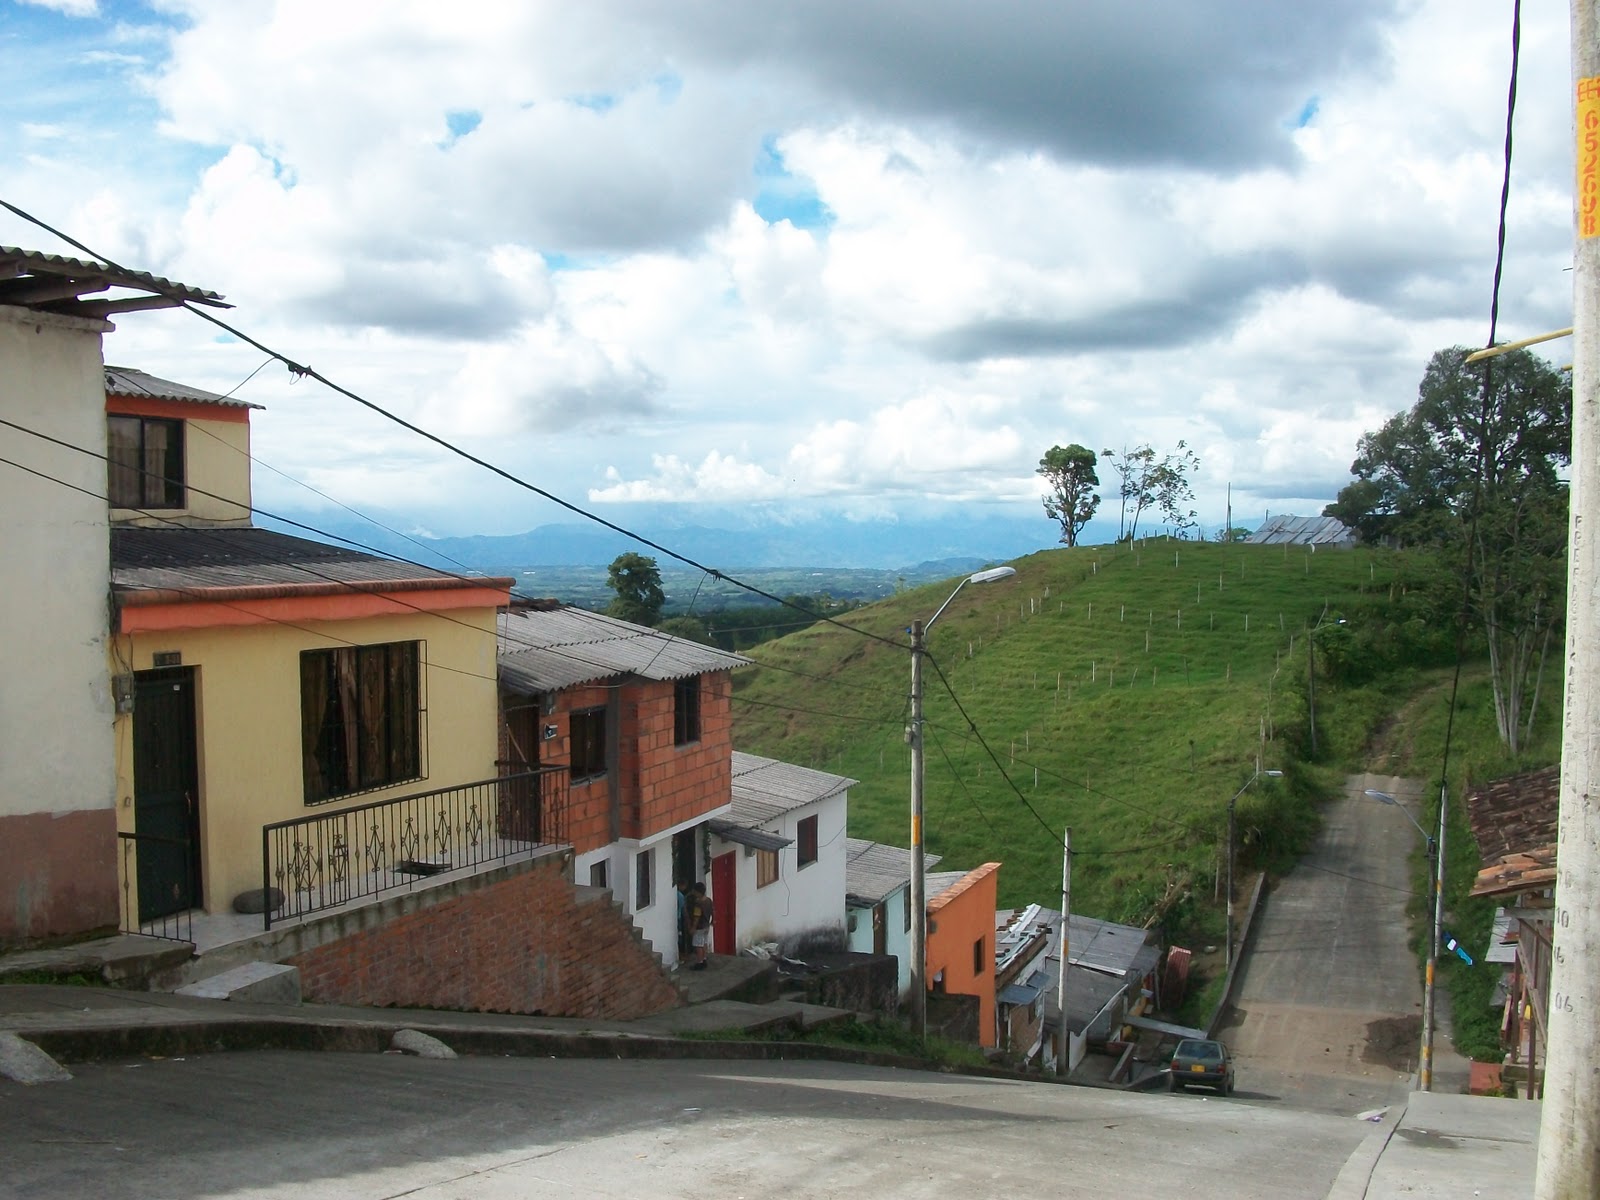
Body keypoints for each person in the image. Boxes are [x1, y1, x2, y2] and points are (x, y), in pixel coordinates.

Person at [687, 881, 712, 970]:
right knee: (704, 943)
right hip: (706, 926)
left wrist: (693, 927)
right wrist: (712, 921)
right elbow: (713, 911)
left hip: (700, 927)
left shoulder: (698, 903)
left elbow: (697, 916)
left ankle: (699, 962)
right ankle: (704, 959)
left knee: (698, 945)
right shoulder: (708, 900)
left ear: (698, 892)